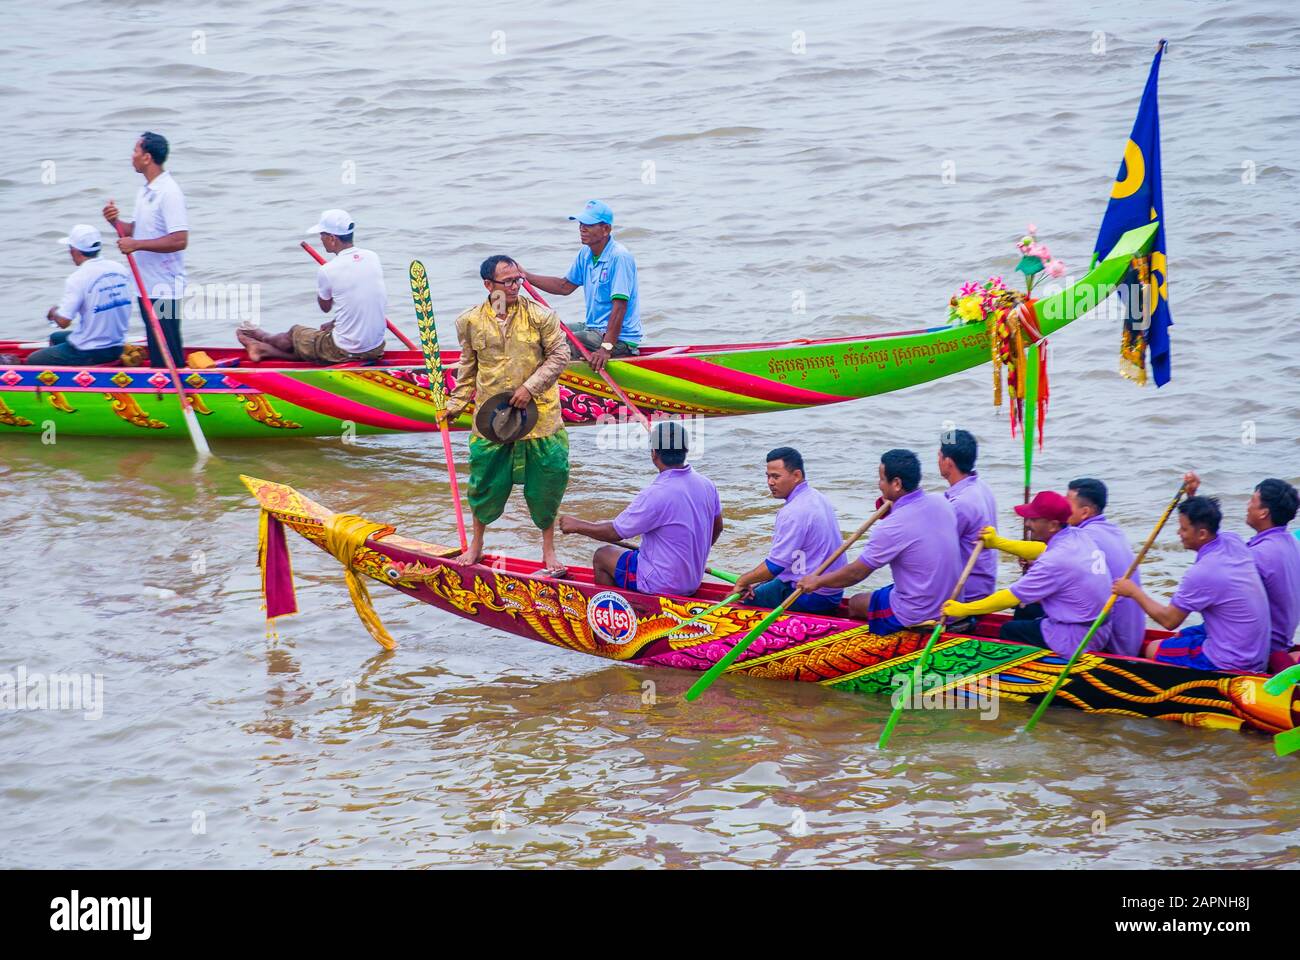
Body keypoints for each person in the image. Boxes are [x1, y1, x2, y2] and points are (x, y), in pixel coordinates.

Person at [443, 255, 570, 574]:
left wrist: (530, 387)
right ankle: (476, 544)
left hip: (540, 416)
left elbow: (559, 355)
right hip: (493, 418)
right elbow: (468, 369)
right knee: (484, 481)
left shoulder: (541, 316)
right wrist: (454, 405)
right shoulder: (469, 321)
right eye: (508, 281)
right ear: (489, 285)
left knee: (548, 482)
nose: (515, 286)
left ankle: (548, 549)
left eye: (518, 280)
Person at [796, 449, 960, 633]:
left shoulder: (892, 526)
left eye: (882, 479)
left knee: (856, 603)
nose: (879, 484)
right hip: (952, 603)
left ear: (896, 483)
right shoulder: (942, 502)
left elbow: (856, 574)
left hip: (916, 614)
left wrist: (817, 581)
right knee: (888, 589)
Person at [559, 421, 722, 597]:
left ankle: (613, 615)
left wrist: (577, 525)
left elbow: (614, 532)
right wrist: (692, 556)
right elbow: (717, 528)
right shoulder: (707, 485)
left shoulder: (656, 494)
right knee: (634, 553)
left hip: (662, 584)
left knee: (603, 555)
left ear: (654, 454)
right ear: (686, 451)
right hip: (692, 580)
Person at [942, 490, 1116, 655]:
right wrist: (996, 542)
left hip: (1077, 639)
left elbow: (1010, 596)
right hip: (1098, 628)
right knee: (1026, 608)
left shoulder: (1054, 561)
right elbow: (1041, 549)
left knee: (1008, 630)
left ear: (1053, 525)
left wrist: (964, 609)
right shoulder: (1077, 534)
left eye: (1033, 519)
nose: (1027, 524)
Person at [1112, 496, 1270, 673]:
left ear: (1202, 533)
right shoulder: (1233, 541)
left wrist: (1134, 592)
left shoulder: (1203, 572)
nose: (1179, 533)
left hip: (1232, 661)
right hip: (1254, 651)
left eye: (1183, 528)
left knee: (1152, 648)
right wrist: (1191, 496)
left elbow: (1169, 620)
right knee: (1181, 636)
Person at [1182, 472, 1299, 671]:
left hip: (1258, 646)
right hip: (1279, 638)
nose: (1247, 505)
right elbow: (1211, 541)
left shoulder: (1259, 555)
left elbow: (1211, 547)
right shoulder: (1292, 544)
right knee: (1183, 636)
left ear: (1264, 513)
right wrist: (1192, 499)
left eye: (1252, 500)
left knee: (1167, 644)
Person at [237, 209, 387, 363]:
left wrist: (326, 282)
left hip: (345, 349)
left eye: (322, 235)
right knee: (315, 342)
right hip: (376, 348)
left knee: (294, 333)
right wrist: (335, 323)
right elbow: (357, 301)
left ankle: (261, 337)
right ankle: (263, 350)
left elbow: (325, 307)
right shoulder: (372, 257)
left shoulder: (328, 270)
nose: (321, 239)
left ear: (332, 238)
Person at [519, 200, 640, 372]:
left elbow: (620, 307)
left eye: (589, 225)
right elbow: (564, 286)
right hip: (593, 328)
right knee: (548, 330)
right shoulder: (585, 254)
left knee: (561, 342)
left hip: (619, 339)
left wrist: (606, 349)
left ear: (606, 229)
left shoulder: (619, 257)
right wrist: (526, 276)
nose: (582, 228)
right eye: (581, 224)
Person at [101, 131, 188, 367]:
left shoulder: (168, 192)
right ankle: (162, 389)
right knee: (159, 351)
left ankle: (174, 395)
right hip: (145, 285)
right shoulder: (145, 191)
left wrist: (136, 245)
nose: (132, 157)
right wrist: (115, 223)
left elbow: (179, 240)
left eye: (135, 152)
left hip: (165, 286)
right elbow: (136, 232)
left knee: (168, 355)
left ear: (147, 157)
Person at [731, 447, 846, 614]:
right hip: (831, 591)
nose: (770, 482)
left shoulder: (794, 511)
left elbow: (775, 566)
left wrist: (743, 581)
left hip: (811, 596)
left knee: (741, 602)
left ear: (797, 476)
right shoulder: (817, 497)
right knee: (758, 585)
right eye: (768, 476)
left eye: (776, 477)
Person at [26, 225, 132, 366]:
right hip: (117, 346)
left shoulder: (78, 278)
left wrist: (54, 313)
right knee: (56, 337)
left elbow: (63, 322)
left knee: (33, 360)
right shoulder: (120, 268)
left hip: (89, 352)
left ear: (75, 251)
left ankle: (66, 381)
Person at [1065, 477, 1145, 656]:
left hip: (1113, 643)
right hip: (1132, 637)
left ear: (1085, 512)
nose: (1062, 509)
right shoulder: (1114, 531)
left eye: (1067, 503)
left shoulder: (1084, 537)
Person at [938, 429, 998, 601]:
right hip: (984, 586)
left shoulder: (961, 504)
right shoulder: (981, 486)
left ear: (948, 462)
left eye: (939, 455)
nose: (938, 460)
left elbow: (933, 550)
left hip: (965, 593)